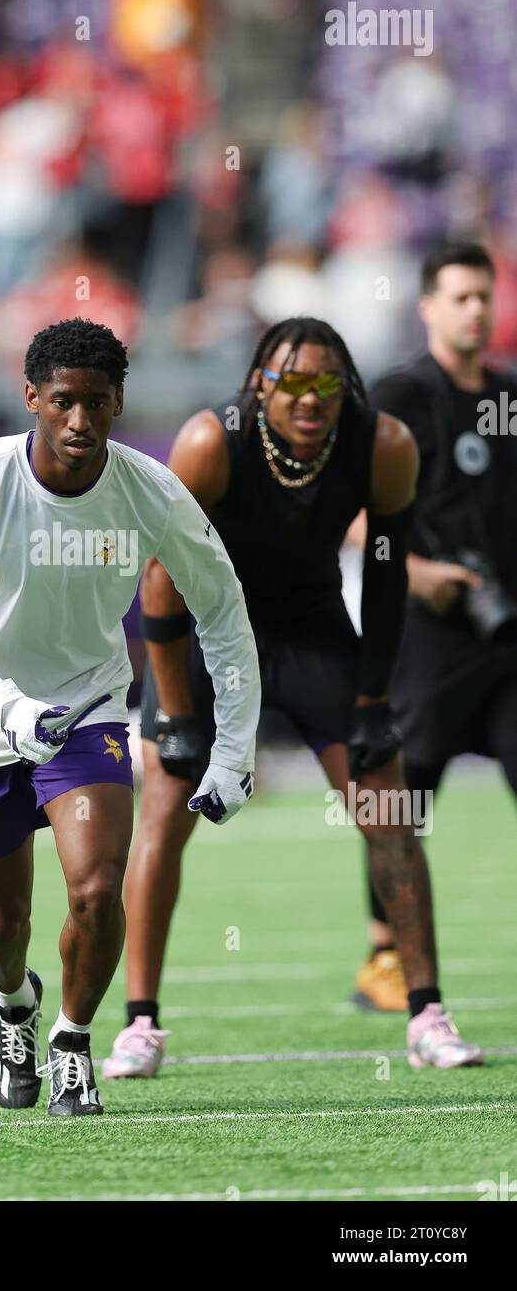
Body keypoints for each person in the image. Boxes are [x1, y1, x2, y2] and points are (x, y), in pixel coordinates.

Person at [0, 317, 260, 1117]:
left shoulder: (151, 490)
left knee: (96, 891)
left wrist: (234, 750)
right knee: (1, 922)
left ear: (120, 401)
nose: (80, 421)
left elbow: (223, 609)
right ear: (31, 397)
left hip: (90, 713)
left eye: (97, 402)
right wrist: (6, 704)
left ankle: (69, 1040)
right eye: (63, 401)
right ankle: (15, 1006)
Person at [104, 316, 483, 1080]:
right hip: (212, 635)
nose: (310, 402)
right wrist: (174, 711)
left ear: (348, 389)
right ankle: (139, 1025)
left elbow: (384, 575)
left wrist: (375, 696)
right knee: (163, 819)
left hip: (313, 632)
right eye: (293, 384)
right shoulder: (214, 441)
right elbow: (161, 577)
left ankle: (427, 1014)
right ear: (260, 386)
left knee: (389, 812)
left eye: (328, 385)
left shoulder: (383, 444)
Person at [352, 242, 517, 1009]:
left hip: (505, 629)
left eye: (483, 295)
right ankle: (385, 951)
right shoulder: (398, 393)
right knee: (405, 786)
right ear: (428, 307)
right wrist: (415, 573)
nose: (475, 310)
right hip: (426, 628)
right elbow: (349, 507)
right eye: (460, 297)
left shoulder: (507, 393)